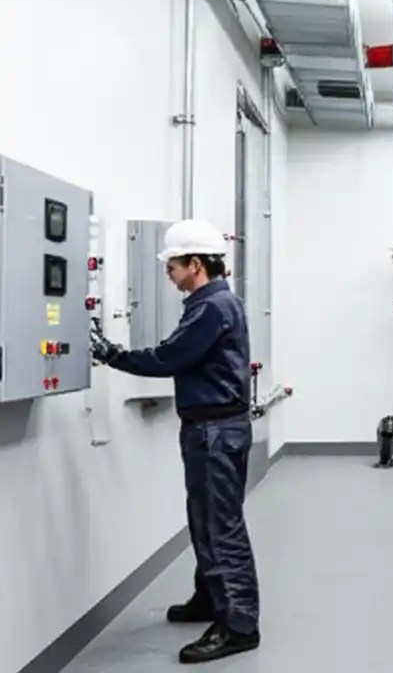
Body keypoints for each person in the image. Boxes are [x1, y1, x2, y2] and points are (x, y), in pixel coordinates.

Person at [90, 220, 260, 665]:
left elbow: (171, 357)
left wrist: (113, 355)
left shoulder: (211, 307)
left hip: (214, 432)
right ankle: (209, 599)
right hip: (215, 429)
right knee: (206, 518)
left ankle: (239, 625)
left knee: (220, 526)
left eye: (174, 265)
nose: (168, 273)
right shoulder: (215, 301)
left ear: (196, 264)